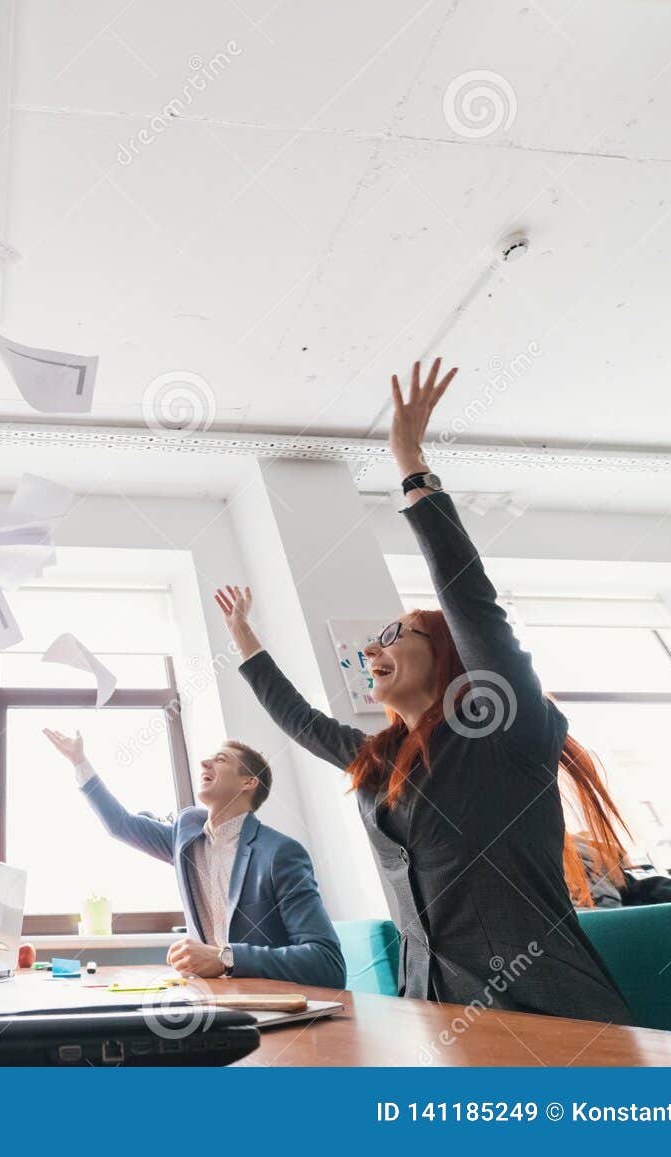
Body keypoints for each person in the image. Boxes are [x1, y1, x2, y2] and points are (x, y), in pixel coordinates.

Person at [218, 357, 631, 1023]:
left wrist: (410, 464)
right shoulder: (377, 759)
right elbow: (296, 718)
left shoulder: (505, 731)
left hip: (552, 1016)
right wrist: (243, 635)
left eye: (398, 634)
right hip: (430, 1012)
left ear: (450, 661)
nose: (375, 647)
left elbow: (471, 601)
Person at [42, 728, 346, 987]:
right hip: (208, 999)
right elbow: (120, 825)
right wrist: (80, 762)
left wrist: (226, 958)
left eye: (221, 759)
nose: (204, 762)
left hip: (270, 1008)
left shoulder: (280, 853)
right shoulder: (184, 838)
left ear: (248, 782)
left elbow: (327, 964)